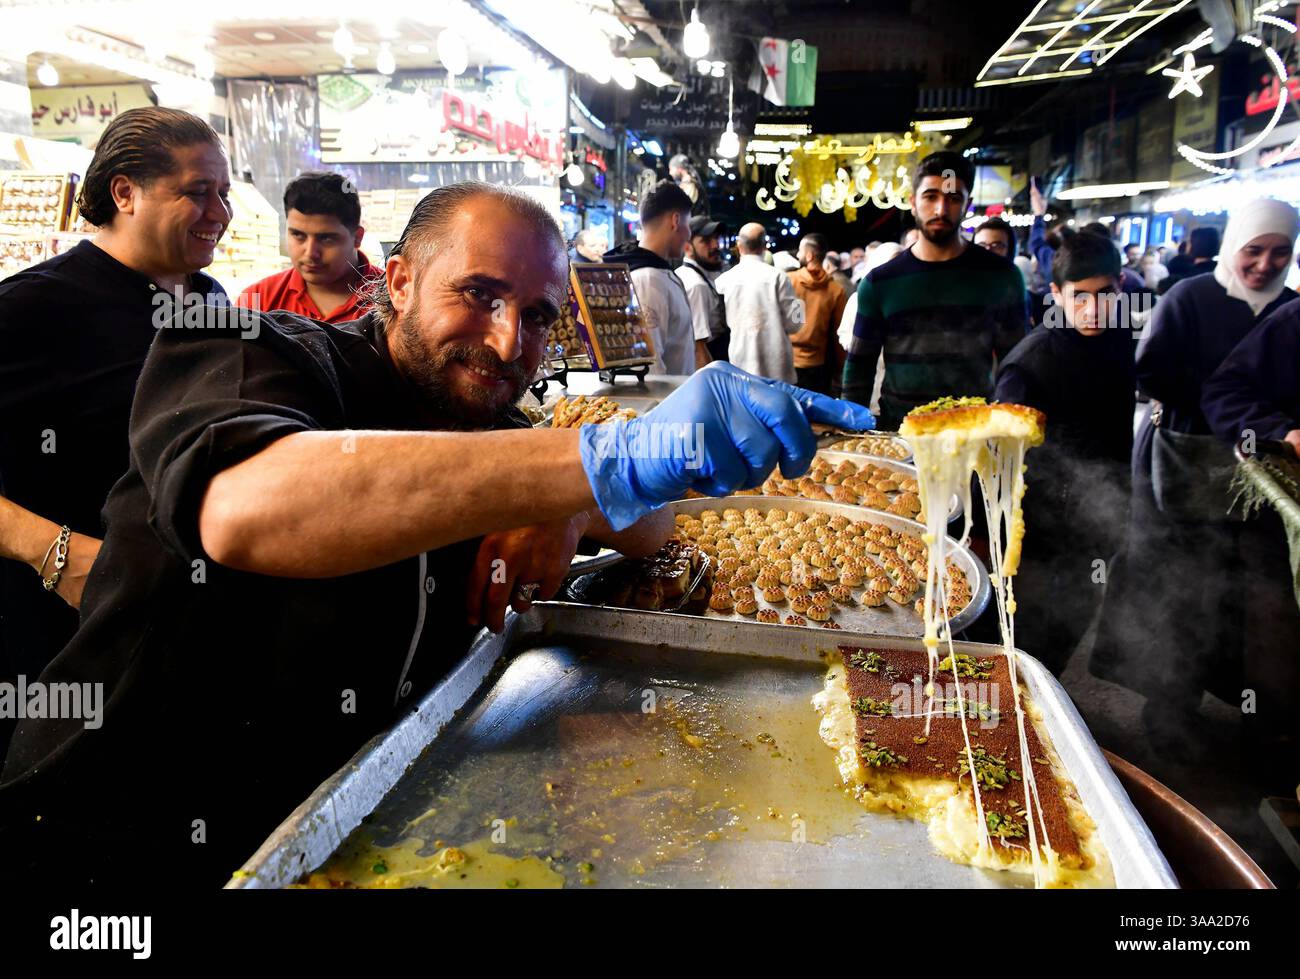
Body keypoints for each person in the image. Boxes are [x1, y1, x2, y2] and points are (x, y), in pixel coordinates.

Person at [0, 181, 876, 885]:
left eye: (536, 314)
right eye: (479, 294)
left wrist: (575, 497)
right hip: (119, 833)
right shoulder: (252, 348)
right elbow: (247, 510)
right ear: (400, 279)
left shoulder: (490, 425)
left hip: (337, 821)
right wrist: (595, 461)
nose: (507, 341)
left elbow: (648, 529)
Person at [0, 107, 230, 729]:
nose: (220, 214)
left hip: (170, 629)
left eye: (225, 194)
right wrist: (53, 552)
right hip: (55, 642)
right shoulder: (32, 308)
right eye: (198, 193)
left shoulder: (207, 298)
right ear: (125, 192)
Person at [1094, 198, 1300, 747]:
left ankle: (1253, 711)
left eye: (1280, 252)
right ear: (1234, 247)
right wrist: (1225, 411)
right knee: (1176, 586)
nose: (1264, 264)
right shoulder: (1191, 297)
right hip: (1182, 459)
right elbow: (1152, 372)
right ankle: (1170, 706)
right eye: (1253, 250)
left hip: (1262, 479)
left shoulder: (1292, 309)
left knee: (1245, 592)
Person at [993, 229, 1136, 674]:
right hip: (1036, 524)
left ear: (1121, 285)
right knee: (1023, 628)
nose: (1093, 309)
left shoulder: (1122, 340)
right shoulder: (1030, 362)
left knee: (1075, 614)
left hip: (1101, 512)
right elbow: (1000, 452)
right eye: (1079, 297)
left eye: (1104, 294)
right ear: (1055, 293)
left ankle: (1044, 698)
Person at [843, 151, 1028, 430]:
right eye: (930, 196)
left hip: (975, 432)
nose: (941, 209)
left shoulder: (1001, 277)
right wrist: (851, 431)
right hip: (901, 432)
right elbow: (859, 367)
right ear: (913, 203)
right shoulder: (880, 283)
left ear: (968, 205)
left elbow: (1014, 365)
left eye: (953, 198)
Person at [237, 171, 382, 325]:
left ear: (357, 237)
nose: (310, 253)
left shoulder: (395, 299)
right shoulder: (256, 301)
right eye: (298, 235)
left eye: (326, 238)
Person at [604, 180, 710, 375]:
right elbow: (650, 369)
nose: (688, 235)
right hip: (665, 402)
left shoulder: (658, 273)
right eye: (688, 225)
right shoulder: (648, 279)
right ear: (675, 221)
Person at [715, 222, 805, 383]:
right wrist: (801, 306)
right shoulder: (779, 277)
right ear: (765, 245)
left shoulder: (723, 280)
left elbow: (719, 323)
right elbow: (795, 325)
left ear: (739, 245)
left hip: (740, 362)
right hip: (777, 366)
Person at [788, 232, 848, 395]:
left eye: (800, 251)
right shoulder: (835, 290)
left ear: (809, 255)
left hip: (789, 361)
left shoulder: (789, 280)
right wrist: (839, 369)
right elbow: (838, 335)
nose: (798, 254)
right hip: (819, 365)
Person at [677, 215, 729, 362]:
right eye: (706, 241)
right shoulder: (696, 285)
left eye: (716, 238)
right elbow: (698, 346)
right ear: (687, 247)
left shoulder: (685, 274)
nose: (715, 245)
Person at [1162, 226, 1219, 291]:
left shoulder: (1181, 273)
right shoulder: (1221, 274)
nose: (1187, 244)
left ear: (1196, 244)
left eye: (1189, 241)